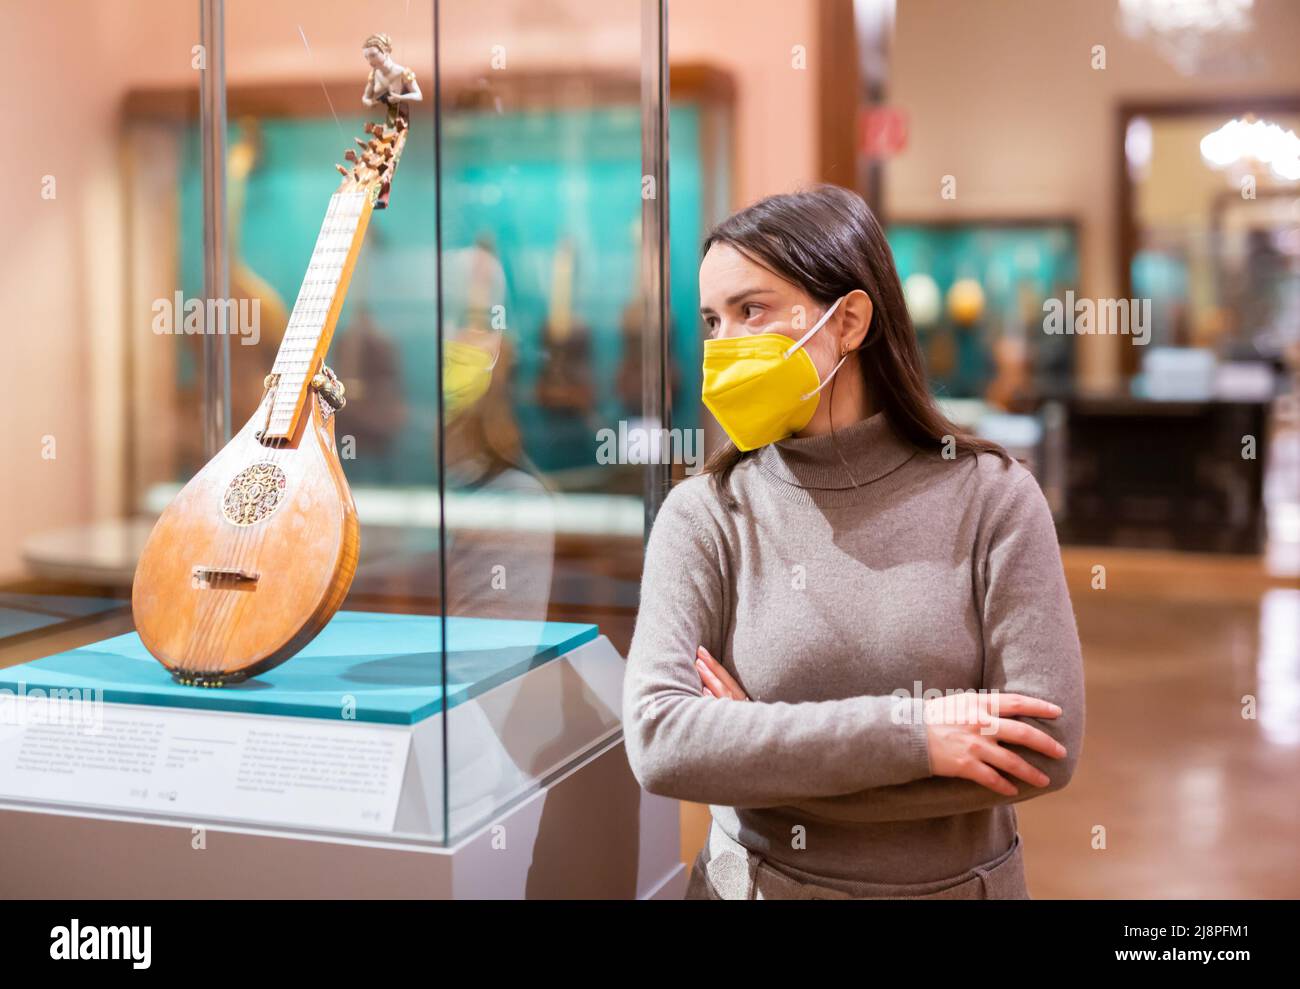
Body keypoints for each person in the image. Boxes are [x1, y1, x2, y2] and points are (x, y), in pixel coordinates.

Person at [621, 184, 1085, 900]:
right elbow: (660, 741)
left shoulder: (993, 496)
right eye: (713, 321)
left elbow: (1039, 752)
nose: (723, 347)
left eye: (753, 310)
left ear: (850, 320)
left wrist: (757, 745)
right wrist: (922, 735)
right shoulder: (705, 514)